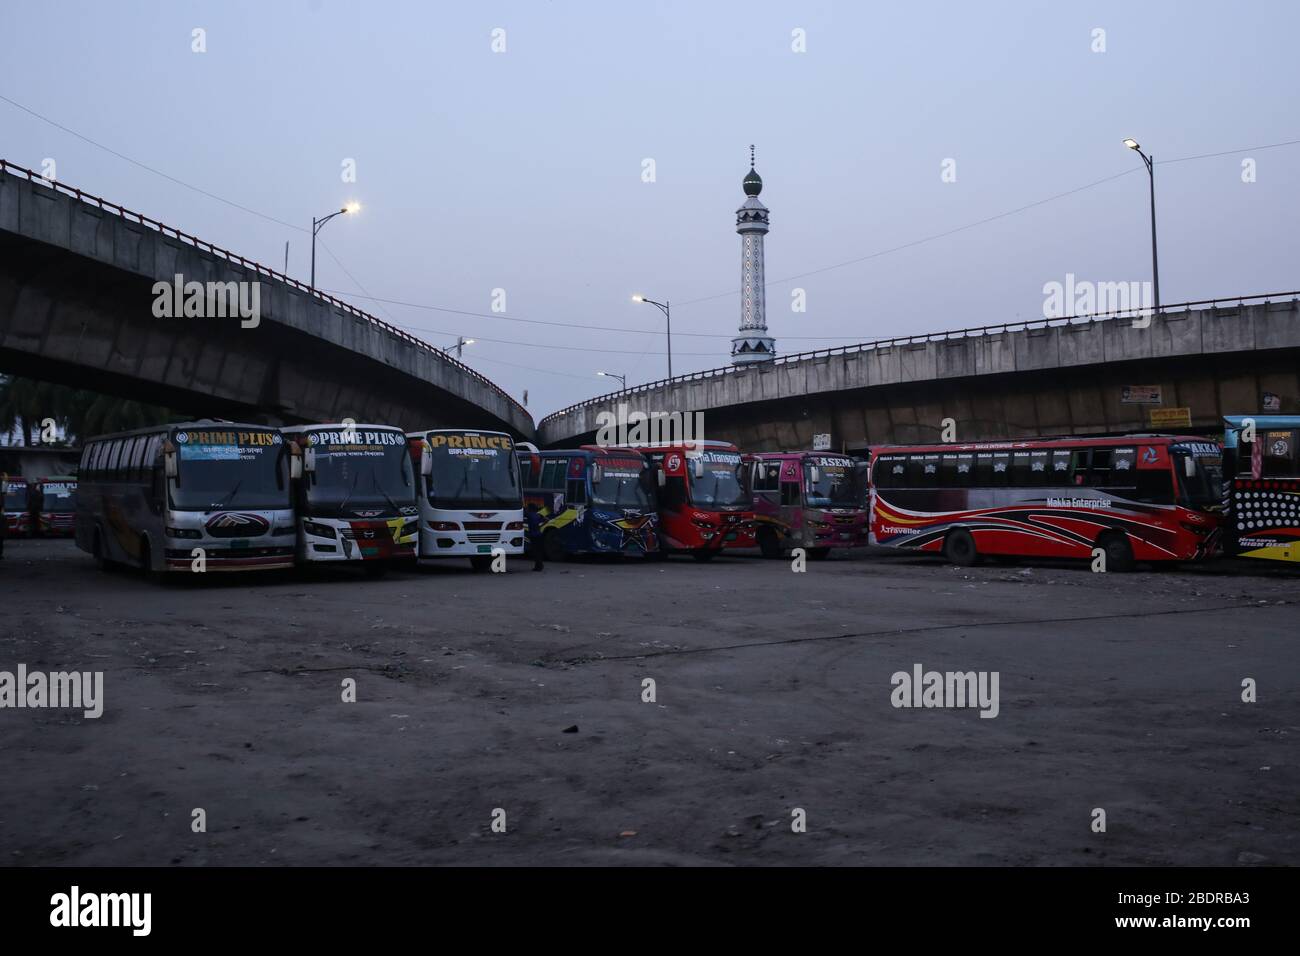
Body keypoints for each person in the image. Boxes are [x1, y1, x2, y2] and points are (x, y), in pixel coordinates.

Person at [524, 501, 545, 571]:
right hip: (539, 534)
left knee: (535, 551)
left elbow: (523, 513)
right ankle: (539, 565)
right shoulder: (538, 515)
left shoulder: (529, 514)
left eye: (528, 507)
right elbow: (546, 520)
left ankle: (538, 566)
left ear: (530, 508)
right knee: (538, 551)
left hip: (533, 535)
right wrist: (540, 526)